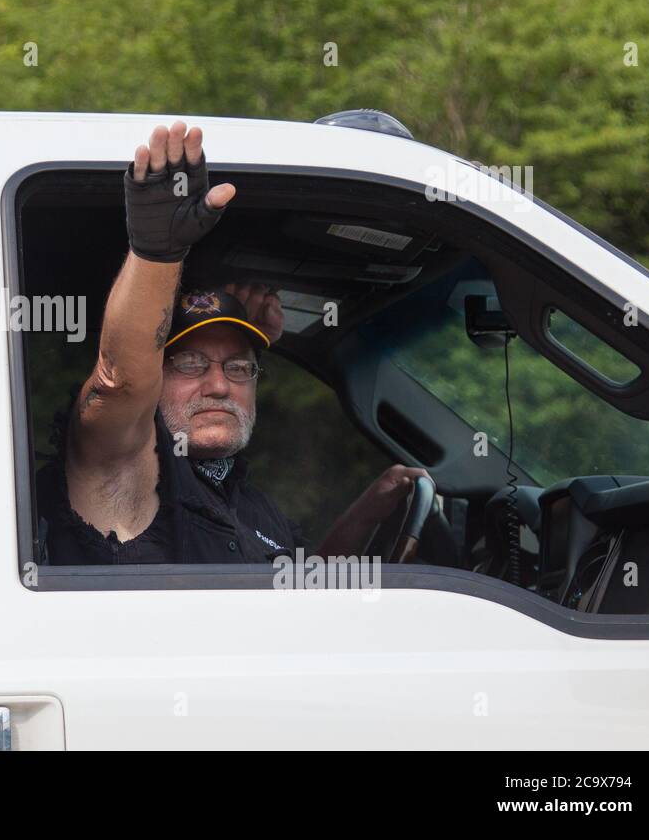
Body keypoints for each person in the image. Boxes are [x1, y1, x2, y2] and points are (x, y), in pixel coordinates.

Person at [37, 120, 429, 565]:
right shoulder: (123, 473)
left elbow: (302, 593)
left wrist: (369, 510)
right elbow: (119, 382)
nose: (220, 386)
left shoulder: (245, 499)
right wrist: (156, 252)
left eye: (238, 368)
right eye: (190, 364)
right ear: (154, 379)